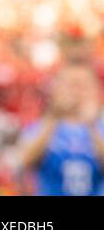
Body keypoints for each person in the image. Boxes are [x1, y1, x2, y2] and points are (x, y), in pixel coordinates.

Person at [17, 60, 104, 196]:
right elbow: (25, 160)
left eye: (83, 85)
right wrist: (54, 116)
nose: (77, 92)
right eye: (71, 85)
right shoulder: (42, 125)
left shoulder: (100, 126)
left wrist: (91, 124)